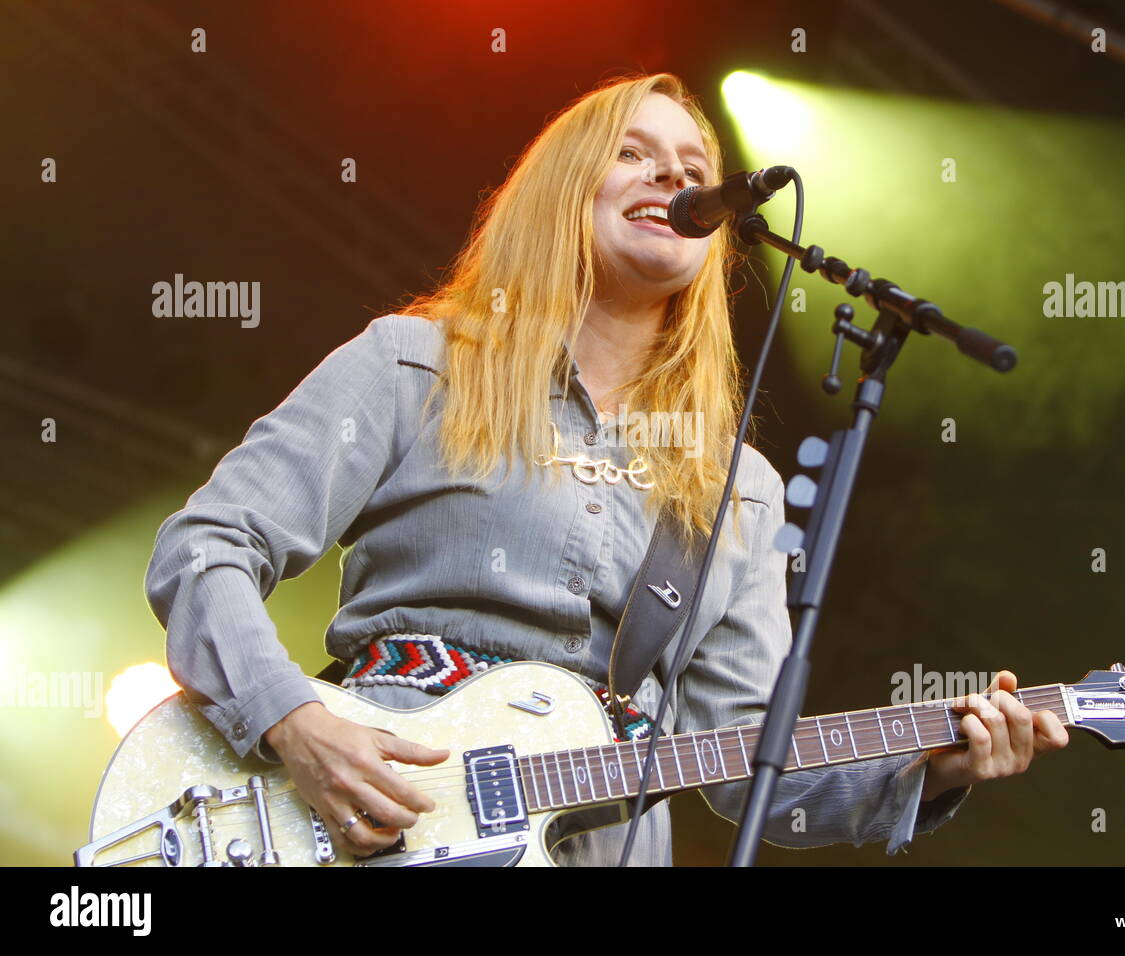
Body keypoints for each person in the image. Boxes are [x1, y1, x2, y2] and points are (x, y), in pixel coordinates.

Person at [144, 72, 1068, 866]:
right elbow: (207, 545)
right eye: (633, 153)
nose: (675, 175)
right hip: (370, 824)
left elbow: (748, 767)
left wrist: (932, 762)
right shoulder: (416, 364)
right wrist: (293, 725)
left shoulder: (735, 485)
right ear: (561, 193)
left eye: (698, 170)